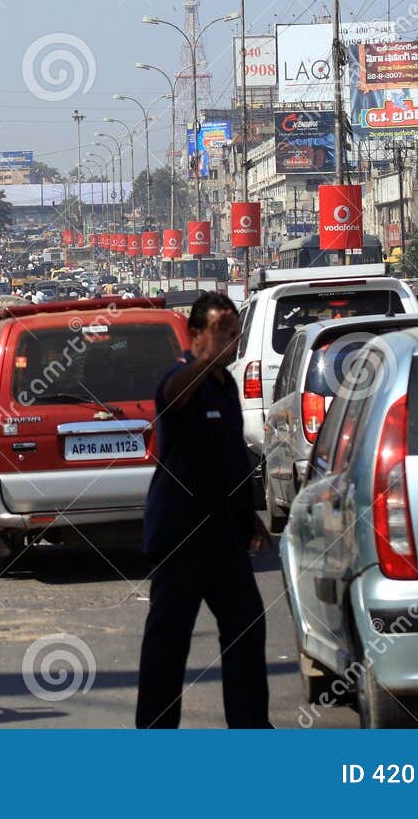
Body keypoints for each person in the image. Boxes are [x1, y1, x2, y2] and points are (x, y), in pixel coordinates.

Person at [136, 291, 270, 729]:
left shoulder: (225, 385)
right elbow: (171, 397)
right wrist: (204, 359)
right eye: (220, 332)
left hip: (223, 537)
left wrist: (250, 519)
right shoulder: (180, 379)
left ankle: (250, 725)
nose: (231, 341)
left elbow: (232, 458)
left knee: (246, 625)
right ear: (195, 335)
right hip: (180, 538)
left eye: (234, 333)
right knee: (169, 640)